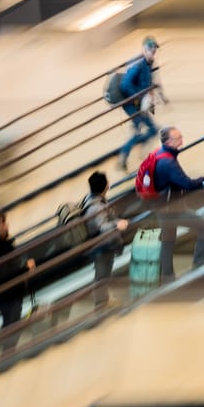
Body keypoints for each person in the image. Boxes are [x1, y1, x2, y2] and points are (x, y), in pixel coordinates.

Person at [147, 127, 204, 280]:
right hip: (172, 210)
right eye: (179, 138)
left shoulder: (158, 154)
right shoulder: (168, 162)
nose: (182, 140)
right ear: (170, 142)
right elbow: (186, 183)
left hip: (160, 207)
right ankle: (199, 261)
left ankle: (168, 277)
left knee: (168, 241)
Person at [0, 211, 35, 353]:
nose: (7, 226)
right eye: (3, 223)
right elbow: (5, 276)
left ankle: (9, 354)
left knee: (13, 326)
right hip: (7, 297)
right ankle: (7, 356)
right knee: (11, 327)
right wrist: (26, 269)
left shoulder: (3, 243)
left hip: (13, 294)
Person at [118, 36, 168, 172]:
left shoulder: (148, 64)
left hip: (140, 104)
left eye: (154, 49)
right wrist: (140, 98)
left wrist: (162, 98)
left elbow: (152, 83)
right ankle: (123, 157)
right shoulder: (138, 65)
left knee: (152, 129)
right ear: (144, 49)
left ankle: (140, 149)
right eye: (150, 49)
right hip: (132, 104)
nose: (153, 51)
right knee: (138, 128)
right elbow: (125, 85)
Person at [83, 171, 130, 308]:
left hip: (100, 245)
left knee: (102, 275)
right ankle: (101, 304)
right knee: (102, 275)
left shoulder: (90, 198)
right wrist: (117, 224)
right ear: (105, 187)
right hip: (101, 246)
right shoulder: (96, 207)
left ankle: (103, 300)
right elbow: (102, 226)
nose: (109, 184)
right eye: (107, 182)